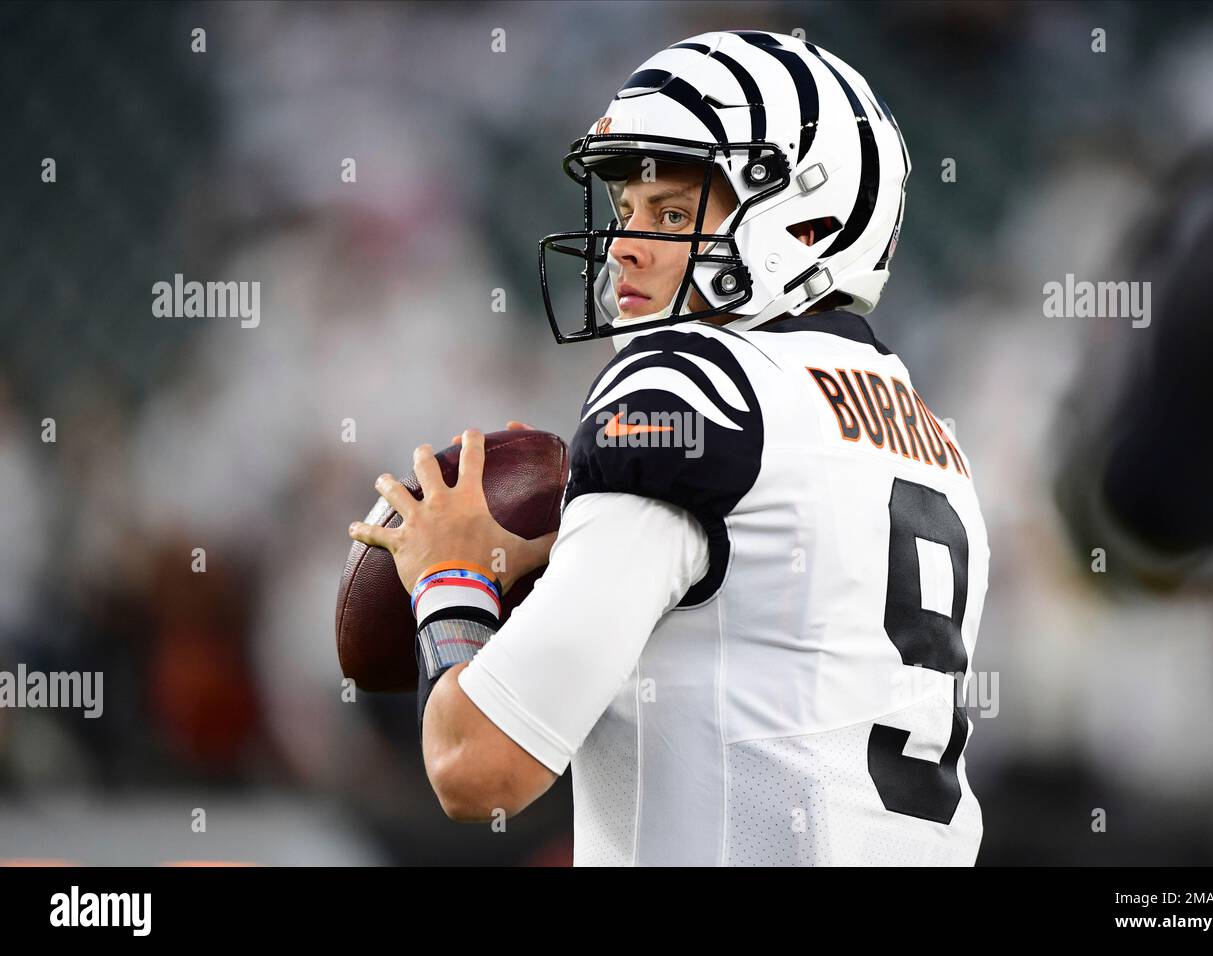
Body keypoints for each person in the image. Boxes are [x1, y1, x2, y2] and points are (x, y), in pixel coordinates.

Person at [349, 30, 990, 865]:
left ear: (806, 223)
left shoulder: (690, 388)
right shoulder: (929, 436)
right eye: (626, 212)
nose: (624, 247)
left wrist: (452, 580)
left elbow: (476, 767)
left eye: (674, 212)